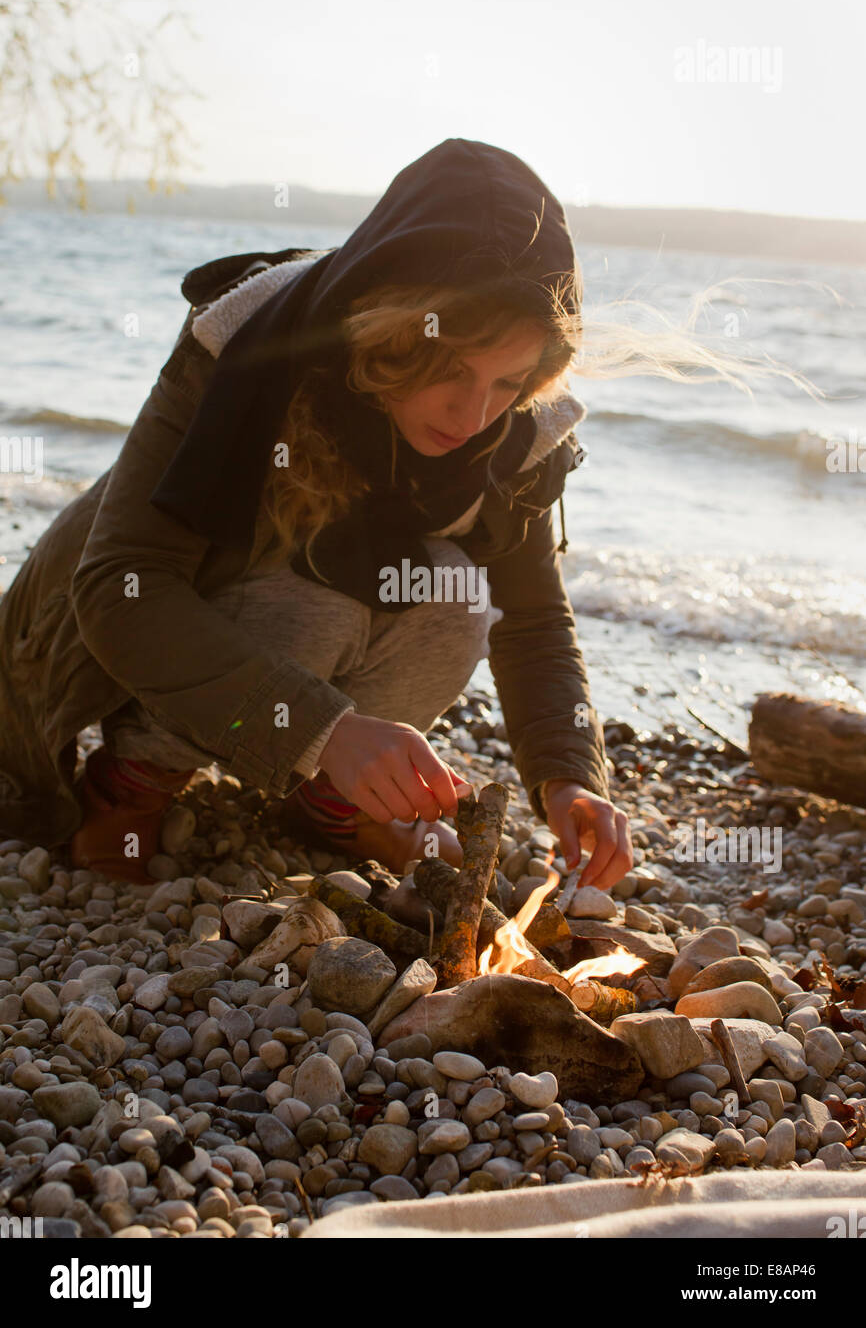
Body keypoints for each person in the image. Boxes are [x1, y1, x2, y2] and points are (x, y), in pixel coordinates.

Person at [0, 140, 638, 886]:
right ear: (393, 326)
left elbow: (532, 617)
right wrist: (324, 729)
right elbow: (121, 585)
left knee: (457, 593)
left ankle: (330, 799)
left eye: (509, 381)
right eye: (454, 369)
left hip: (282, 630)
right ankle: (132, 782)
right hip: (103, 624)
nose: (475, 413)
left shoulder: (519, 429)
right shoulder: (247, 342)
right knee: (316, 610)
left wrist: (570, 776)